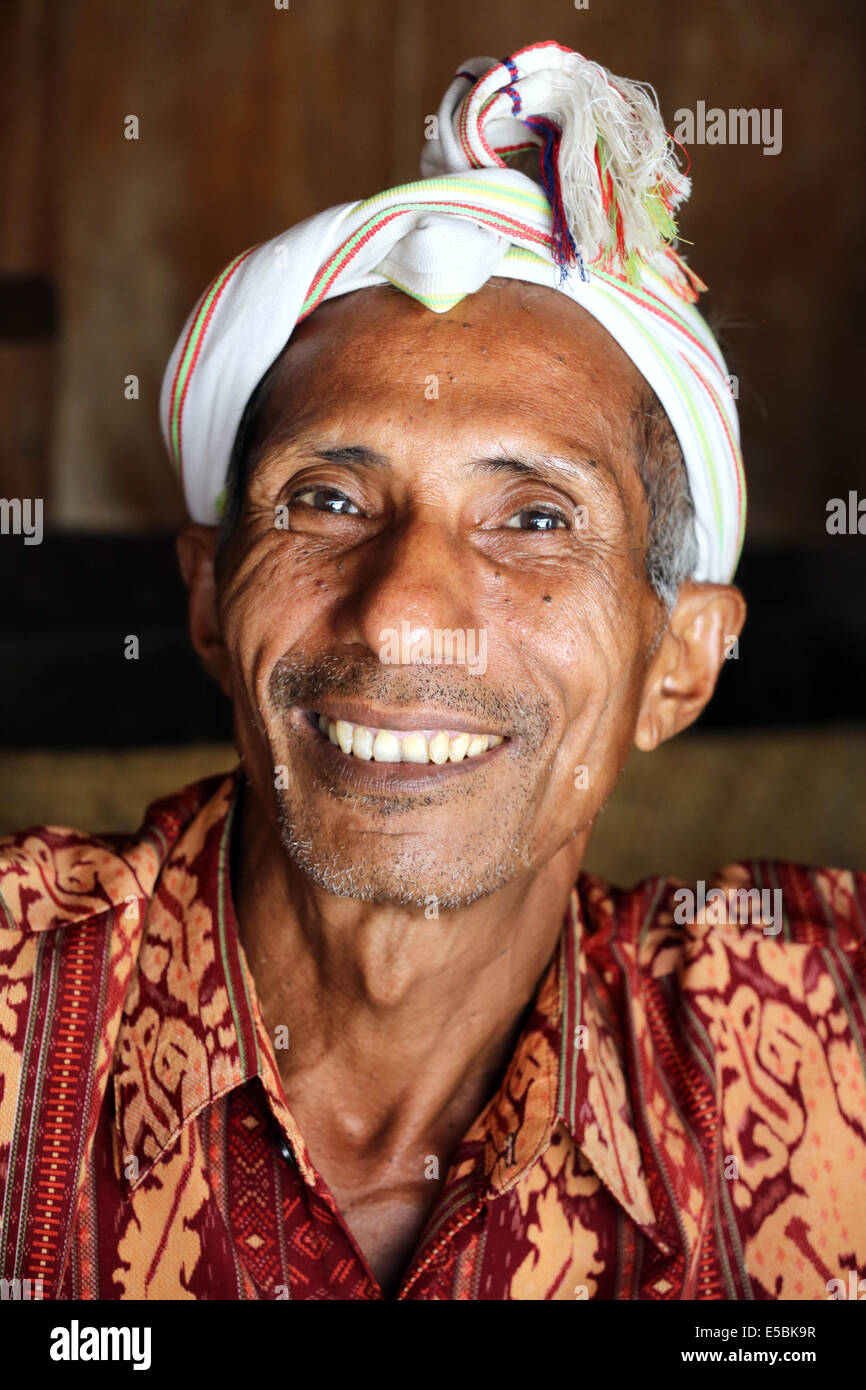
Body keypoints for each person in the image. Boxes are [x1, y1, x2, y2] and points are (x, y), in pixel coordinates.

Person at [1, 41, 863, 1302]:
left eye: (533, 519)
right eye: (328, 497)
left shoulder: (810, 1034)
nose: (402, 616)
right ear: (205, 598)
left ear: (678, 662)